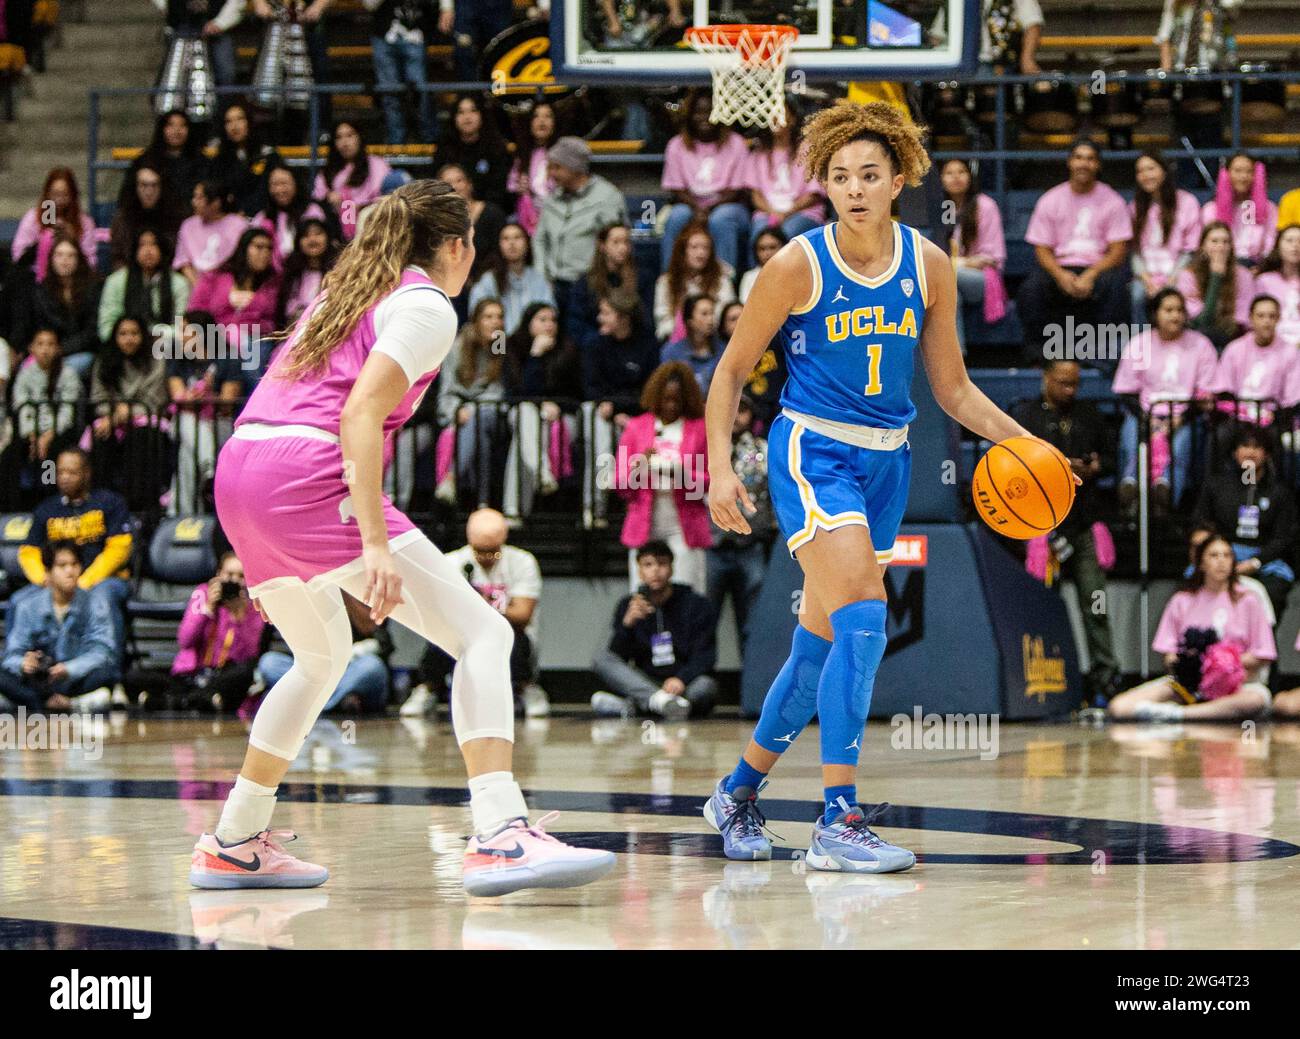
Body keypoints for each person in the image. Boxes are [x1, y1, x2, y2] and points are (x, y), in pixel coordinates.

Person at [204, 180, 615, 894]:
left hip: (242, 474)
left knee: (320, 654)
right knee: (485, 635)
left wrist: (261, 547)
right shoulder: (427, 305)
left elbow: (290, 405)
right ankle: (499, 831)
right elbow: (360, 412)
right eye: (474, 249)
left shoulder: (345, 295)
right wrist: (370, 542)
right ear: (456, 247)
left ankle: (235, 837)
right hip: (305, 477)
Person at [703, 100, 1046, 871]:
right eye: (838, 176)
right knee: (864, 617)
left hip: (888, 461)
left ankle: (736, 792)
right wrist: (721, 467)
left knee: (818, 647)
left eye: (869, 174)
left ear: (898, 179)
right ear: (823, 184)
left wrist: (1029, 443)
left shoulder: (927, 264)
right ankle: (837, 817)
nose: (853, 188)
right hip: (813, 452)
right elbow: (728, 372)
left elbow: (953, 390)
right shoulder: (796, 264)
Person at [1013, 360, 1120, 703]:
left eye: (1074, 384)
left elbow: (1112, 459)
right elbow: (1015, 462)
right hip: (1042, 528)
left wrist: (1093, 466)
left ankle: (1105, 680)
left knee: (1095, 603)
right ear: (1045, 379)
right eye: (1062, 383)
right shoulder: (1027, 415)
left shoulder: (1089, 414)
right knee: (1043, 605)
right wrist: (1057, 465)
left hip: (1084, 522)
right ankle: (1046, 682)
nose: (1069, 390)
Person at [1108, 534, 1275, 723]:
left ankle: (1180, 714)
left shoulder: (1249, 599)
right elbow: (1169, 654)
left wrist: (1222, 663)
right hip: (1189, 683)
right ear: (1201, 563)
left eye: (1227, 556)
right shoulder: (1182, 600)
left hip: (1239, 684)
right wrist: (1192, 665)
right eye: (1214, 556)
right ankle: (1188, 708)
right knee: (1120, 707)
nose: (1221, 562)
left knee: (1256, 700)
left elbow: (1263, 654)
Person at [404, 509, 547, 719]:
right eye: (480, 551)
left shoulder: (522, 562)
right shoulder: (451, 563)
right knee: (438, 640)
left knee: (516, 641)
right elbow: (438, 612)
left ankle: (526, 688)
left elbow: (522, 615)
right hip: (463, 632)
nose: (487, 558)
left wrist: (481, 605)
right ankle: (428, 688)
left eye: (493, 552)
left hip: (508, 631)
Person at [1016, 139, 1131, 367]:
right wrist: (1060, 275)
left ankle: (1101, 356)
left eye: (1090, 159)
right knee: (1030, 289)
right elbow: (1042, 249)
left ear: (1097, 165)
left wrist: (1091, 274)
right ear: (1070, 162)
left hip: (1098, 268)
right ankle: (1039, 356)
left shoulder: (1113, 201)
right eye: (1079, 157)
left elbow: (1118, 250)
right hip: (1060, 266)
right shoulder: (1051, 199)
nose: (1083, 164)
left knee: (1117, 286)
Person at [11, 449, 133, 660]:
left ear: (86, 473)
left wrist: (85, 581)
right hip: (56, 583)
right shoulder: (46, 509)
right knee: (18, 601)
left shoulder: (110, 503)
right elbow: (28, 552)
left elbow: (119, 549)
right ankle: (15, 665)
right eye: (60, 473)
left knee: (103, 598)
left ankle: (110, 668)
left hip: (104, 581)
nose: (64, 478)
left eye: (72, 472)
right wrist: (44, 578)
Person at [1113, 287, 1217, 510]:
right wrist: (1147, 419)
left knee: (1179, 448)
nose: (1175, 315)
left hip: (1185, 416)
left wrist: (1179, 420)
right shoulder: (1140, 344)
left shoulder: (1201, 345)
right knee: (1133, 440)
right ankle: (1130, 489)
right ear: (1155, 314)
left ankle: (1165, 496)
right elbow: (1126, 391)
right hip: (1144, 413)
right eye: (1168, 310)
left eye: (1180, 310)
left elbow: (1205, 395)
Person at [592, 539, 718, 720]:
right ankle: (660, 702)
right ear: (640, 571)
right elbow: (617, 657)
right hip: (646, 682)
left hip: (683, 684)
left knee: (705, 687)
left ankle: (639, 707)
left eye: (662, 563)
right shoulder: (629, 605)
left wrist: (681, 679)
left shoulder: (696, 604)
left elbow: (706, 656)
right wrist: (627, 625)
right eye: (648, 565)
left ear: (672, 568)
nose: (655, 571)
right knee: (600, 659)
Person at [614, 360, 710, 595]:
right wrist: (640, 465)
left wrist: (681, 473)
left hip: (684, 524)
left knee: (687, 593)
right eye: (666, 398)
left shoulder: (700, 429)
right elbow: (619, 485)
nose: (670, 405)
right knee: (643, 595)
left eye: (677, 400)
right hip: (644, 522)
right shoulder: (636, 428)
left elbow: (709, 481)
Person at [133, 552, 266, 712]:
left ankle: (176, 701)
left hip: (222, 676)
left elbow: (249, 655)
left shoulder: (253, 605)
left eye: (241, 576)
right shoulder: (202, 593)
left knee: (245, 672)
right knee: (134, 676)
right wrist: (208, 609)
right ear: (218, 574)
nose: (234, 581)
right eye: (229, 574)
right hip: (190, 674)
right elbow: (185, 640)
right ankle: (198, 700)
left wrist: (238, 617)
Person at [0, 541, 120, 713]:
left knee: (109, 672)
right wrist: (24, 664)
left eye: (74, 565)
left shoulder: (96, 603)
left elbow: (102, 652)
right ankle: (65, 704)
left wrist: (68, 669)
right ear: (48, 571)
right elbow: (12, 655)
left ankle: (32, 704)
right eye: (62, 566)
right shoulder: (27, 606)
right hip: (39, 682)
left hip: (74, 679)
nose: (69, 571)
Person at [1193, 426, 1295, 618]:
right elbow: (1201, 524)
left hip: (1264, 561)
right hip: (1222, 555)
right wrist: (1221, 556)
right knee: (1193, 584)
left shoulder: (1279, 493)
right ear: (1234, 452)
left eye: (1257, 447)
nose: (1250, 452)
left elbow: (1283, 538)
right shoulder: (1216, 486)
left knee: (1272, 592)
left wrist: (1255, 563)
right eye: (1244, 446)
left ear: (1266, 454)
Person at [580, 289, 660, 528]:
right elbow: (590, 387)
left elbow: (650, 389)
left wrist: (623, 412)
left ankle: (636, 508)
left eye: (606, 313)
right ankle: (594, 507)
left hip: (637, 413)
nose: (599, 318)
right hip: (604, 412)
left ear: (624, 317)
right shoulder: (595, 344)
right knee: (599, 434)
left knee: (642, 436)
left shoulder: (647, 344)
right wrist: (613, 410)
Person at [88, 316, 175, 517]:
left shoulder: (155, 359)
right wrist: (115, 414)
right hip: (112, 419)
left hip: (148, 419)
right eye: (123, 334)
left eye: (134, 333)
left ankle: (138, 507)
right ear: (115, 337)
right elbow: (98, 398)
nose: (129, 339)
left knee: (140, 438)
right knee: (100, 438)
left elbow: (154, 399)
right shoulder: (104, 361)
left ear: (143, 336)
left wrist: (127, 412)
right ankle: (100, 503)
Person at [707, 394, 773, 656]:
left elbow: (773, 493)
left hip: (751, 544)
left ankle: (751, 689)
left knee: (753, 621)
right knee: (704, 620)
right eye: (731, 409)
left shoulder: (763, 449)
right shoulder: (707, 448)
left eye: (743, 410)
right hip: (712, 544)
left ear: (752, 415)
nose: (736, 416)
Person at [532, 137, 628, 315]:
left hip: (589, 286)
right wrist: (542, 276)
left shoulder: (607, 197)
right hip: (553, 285)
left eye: (557, 167)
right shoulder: (552, 200)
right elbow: (540, 239)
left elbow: (615, 242)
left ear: (575, 168)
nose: (551, 173)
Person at [256, 590, 391, 716]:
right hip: (305, 670)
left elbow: (382, 640)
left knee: (372, 666)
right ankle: (331, 704)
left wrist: (352, 652)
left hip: (344, 671)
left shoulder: (349, 596)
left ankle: (313, 709)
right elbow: (278, 645)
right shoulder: (297, 597)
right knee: (269, 662)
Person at [660, 89, 751, 274]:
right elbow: (677, 189)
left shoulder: (736, 143)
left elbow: (737, 190)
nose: (704, 117)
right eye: (698, 112)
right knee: (677, 215)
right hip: (689, 204)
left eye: (709, 111)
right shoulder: (676, 144)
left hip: (729, 206)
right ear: (690, 115)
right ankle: (669, 280)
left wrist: (707, 210)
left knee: (721, 219)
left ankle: (724, 284)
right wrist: (697, 208)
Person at [501, 302, 578, 519]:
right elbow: (515, 394)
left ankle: (514, 511)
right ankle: (541, 471)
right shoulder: (512, 346)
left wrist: (557, 406)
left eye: (553, 320)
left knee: (523, 443)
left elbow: (577, 393)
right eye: (542, 320)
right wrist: (535, 355)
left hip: (561, 416)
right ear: (528, 323)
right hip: (524, 411)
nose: (549, 325)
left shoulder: (568, 348)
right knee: (526, 413)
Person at [436, 298, 508, 508]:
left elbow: (499, 390)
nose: (496, 322)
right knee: (480, 437)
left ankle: (451, 478)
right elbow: (446, 391)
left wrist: (472, 409)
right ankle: (482, 502)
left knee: (480, 418)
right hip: (463, 412)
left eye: (500, 317)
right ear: (476, 321)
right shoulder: (458, 346)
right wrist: (455, 411)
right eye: (488, 317)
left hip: (492, 411)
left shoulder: (500, 343)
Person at [936, 157, 1006, 350]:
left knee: (942, 275)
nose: (956, 177)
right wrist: (957, 262)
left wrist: (955, 263)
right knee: (950, 295)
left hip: (983, 279)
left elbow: (991, 259)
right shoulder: (945, 208)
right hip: (953, 277)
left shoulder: (985, 205)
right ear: (941, 179)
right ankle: (956, 358)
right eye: (949, 173)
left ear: (970, 176)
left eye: (961, 172)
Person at [7, 235, 102, 375]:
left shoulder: (92, 288)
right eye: (59, 255)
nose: (65, 260)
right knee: (27, 371)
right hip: (46, 351)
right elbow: (38, 326)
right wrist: (46, 349)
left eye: (71, 255)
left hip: (80, 352)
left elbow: (92, 331)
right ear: (51, 259)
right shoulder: (41, 290)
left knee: (76, 366)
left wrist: (62, 349)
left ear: (79, 260)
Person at [1130, 151, 1202, 327]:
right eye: (1140, 171)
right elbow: (1134, 251)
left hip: (1179, 274)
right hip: (1146, 276)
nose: (1146, 175)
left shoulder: (1186, 202)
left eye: (1151, 169)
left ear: (1164, 171)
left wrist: (1172, 278)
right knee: (1137, 294)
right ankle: (1141, 346)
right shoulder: (1134, 207)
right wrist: (1145, 278)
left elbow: (1190, 250)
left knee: (1175, 296)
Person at [188, 226, 281, 360]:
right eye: (259, 247)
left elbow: (272, 321)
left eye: (269, 248)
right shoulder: (216, 277)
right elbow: (196, 311)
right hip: (216, 340)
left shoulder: (273, 283)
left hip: (258, 342)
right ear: (244, 248)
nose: (265, 253)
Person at [745, 102, 825, 250]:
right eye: (771, 115)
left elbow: (814, 195)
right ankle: (756, 274)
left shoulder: (808, 149)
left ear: (793, 119)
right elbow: (755, 195)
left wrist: (786, 213)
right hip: (767, 213)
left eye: (781, 114)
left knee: (785, 234)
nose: (775, 119)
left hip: (803, 212)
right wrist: (773, 213)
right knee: (759, 234)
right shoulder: (760, 150)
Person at [97, 228, 192, 348]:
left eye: (153, 244)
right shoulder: (116, 281)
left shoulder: (179, 283)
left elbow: (182, 328)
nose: (148, 251)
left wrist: (150, 336)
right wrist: (130, 338)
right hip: (125, 348)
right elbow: (106, 327)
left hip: (166, 346)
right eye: (142, 245)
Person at [566, 222, 652, 351]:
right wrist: (597, 338)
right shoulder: (585, 282)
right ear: (602, 246)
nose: (622, 248)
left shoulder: (642, 278)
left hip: (633, 345)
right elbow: (576, 322)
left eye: (626, 242)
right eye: (616, 242)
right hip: (597, 346)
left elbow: (647, 319)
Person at [1212, 294, 1293, 430]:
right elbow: (1224, 392)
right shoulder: (1234, 349)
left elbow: (1292, 400)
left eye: (1272, 316)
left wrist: (1274, 416)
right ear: (1251, 318)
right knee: (1219, 436)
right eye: (1261, 316)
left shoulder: (1290, 353)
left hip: (1274, 420)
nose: (1266, 321)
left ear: (1279, 318)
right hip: (1237, 417)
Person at [364, 0, 437, 146]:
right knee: (390, 93)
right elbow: (368, 4)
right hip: (383, 33)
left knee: (420, 90)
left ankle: (430, 140)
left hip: (416, 31)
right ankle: (396, 143)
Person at [467, 222, 555, 336]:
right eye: (506, 239)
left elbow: (550, 315)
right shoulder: (489, 280)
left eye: (517, 237)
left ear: (527, 243)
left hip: (531, 342)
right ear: (499, 245)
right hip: (498, 342)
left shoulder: (539, 280)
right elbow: (476, 317)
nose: (512, 243)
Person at [1176, 221, 1254, 350]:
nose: (1220, 247)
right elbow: (1202, 322)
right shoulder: (1188, 275)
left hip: (1233, 337)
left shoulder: (1243, 275)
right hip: (1200, 336)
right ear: (1203, 246)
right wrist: (1216, 277)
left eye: (1225, 242)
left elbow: (1242, 322)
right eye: (1214, 241)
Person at [653, 222, 736, 342]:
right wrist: (687, 332)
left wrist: (703, 327)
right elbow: (663, 321)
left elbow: (726, 316)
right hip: (678, 342)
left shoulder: (722, 280)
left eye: (705, 248)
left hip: (715, 342)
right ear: (682, 251)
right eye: (694, 247)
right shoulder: (666, 282)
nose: (701, 253)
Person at [312, 121, 393, 242]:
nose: (344, 142)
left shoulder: (377, 164)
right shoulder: (327, 171)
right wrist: (330, 198)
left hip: (371, 225)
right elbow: (318, 198)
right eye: (339, 137)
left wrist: (359, 207)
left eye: (350, 135)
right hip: (337, 226)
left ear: (359, 137)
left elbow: (386, 198)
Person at [10, 167, 99, 274]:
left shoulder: (84, 222)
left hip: (73, 279)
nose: (59, 201)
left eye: (65, 195)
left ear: (73, 195)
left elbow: (91, 262)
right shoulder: (33, 218)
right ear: (47, 193)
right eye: (55, 194)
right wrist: (43, 241)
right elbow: (18, 256)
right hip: (37, 278)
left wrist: (73, 241)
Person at [436, 94, 513, 214]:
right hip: (450, 211)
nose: (467, 117)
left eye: (473, 111)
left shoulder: (496, 147)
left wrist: (478, 209)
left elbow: (500, 189)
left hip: (488, 211)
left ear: (481, 115)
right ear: (454, 118)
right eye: (461, 112)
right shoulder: (444, 147)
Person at [1203, 153, 1277, 271]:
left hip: (1257, 266)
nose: (1243, 176)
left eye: (1249, 171)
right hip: (1221, 265)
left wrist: (1261, 268)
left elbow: (1271, 243)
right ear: (1226, 174)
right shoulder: (1210, 209)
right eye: (1237, 171)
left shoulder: (1269, 208)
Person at [131, 110, 209, 221]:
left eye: (182, 125)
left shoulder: (202, 161)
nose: (176, 131)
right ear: (162, 129)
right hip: (153, 220)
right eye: (170, 125)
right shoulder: (146, 160)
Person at [436, 162, 506, 285]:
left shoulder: (492, 213)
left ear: (469, 184)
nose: (455, 187)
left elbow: (500, 254)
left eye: (459, 180)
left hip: (491, 281)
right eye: (448, 183)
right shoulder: (435, 220)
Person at [253, 163, 326, 272]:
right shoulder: (262, 217)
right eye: (274, 184)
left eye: (284, 184)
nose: (279, 190)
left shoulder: (312, 211)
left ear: (296, 184)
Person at [109, 163, 183, 271]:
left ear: (162, 187)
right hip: (131, 278)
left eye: (154, 185)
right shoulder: (122, 219)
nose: (149, 192)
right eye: (143, 185)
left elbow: (178, 257)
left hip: (167, 277)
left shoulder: (176, 218)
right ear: (135, 187)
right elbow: (117, 257)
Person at [174, 181, 249, 285]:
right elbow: (183, 262)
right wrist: (199, 287)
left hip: (228, 284)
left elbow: (242, 262)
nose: (194, 202)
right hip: (194, 285)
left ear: (216, 203)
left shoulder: (238, 225)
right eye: (194, 197)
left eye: (200, 198)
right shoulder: (188, 225)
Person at [209, 103, 277, 217]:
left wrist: (246, 211)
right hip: (230, 220)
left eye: (240, 119)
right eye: (228, 121)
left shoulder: (267, 154)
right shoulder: (219, 160)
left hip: (263, 217)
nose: (234, 126)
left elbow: (266, 191)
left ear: (249, 122)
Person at [276, 217, 340, 330]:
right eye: (306, 235)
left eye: (318, 234)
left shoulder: (339, 271)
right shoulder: (291, 272)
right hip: (295, 331)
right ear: (298, 242)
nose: (312, 240)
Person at [508, 100, 559, 235]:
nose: (542, 121)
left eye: (547, 116)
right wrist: (519, 189)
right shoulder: (522, 154)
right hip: (527, 217)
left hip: (558, 215)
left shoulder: (562, 153)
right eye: (536, 116)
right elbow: (511, 186)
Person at [660, 294, 721, 394]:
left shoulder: (723, 350)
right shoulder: (671, 352)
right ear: (690, 320)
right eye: (704, 314)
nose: (711, 320)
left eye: (712, 313)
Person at [1253, 224, 1300, 349]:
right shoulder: (1264, 281)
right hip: (1272, 345)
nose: (1295, 246)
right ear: (1278, 245)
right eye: (1289, 240)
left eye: (1299, 241)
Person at [738, 227, 786, 304]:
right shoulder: (749, 277)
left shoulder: (793, 274)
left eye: (772, 247)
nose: (767, 253)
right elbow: (745, 307)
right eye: (762, 249)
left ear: (785, 248)